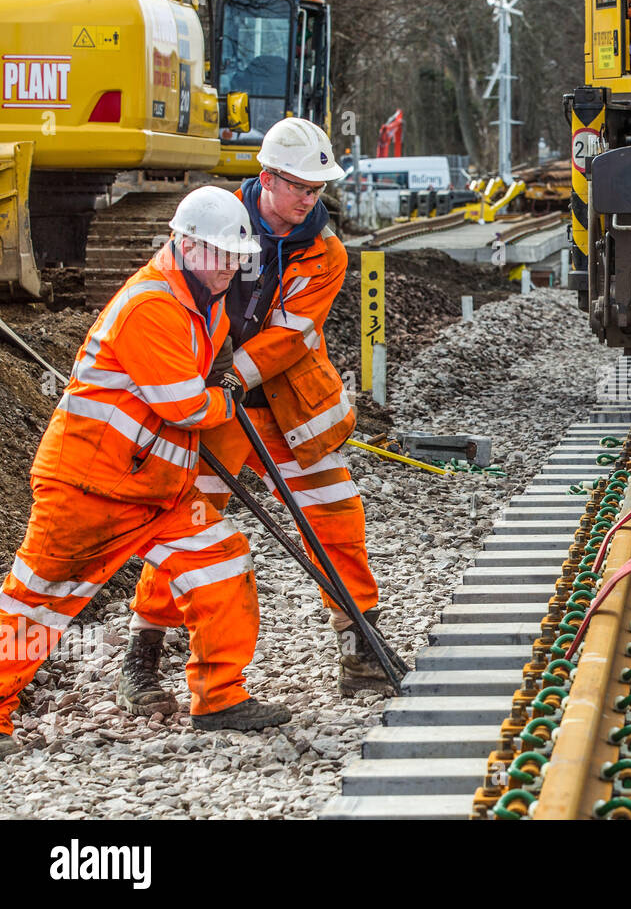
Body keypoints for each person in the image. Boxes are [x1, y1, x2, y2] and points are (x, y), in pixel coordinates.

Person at [0, 187, 291, 759]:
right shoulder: (151, 306)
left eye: (236, 258)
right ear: (183, 244)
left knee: (222, 559)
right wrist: (231, 399)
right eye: (220, 256)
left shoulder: (201, 297)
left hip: (157, 488)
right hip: (90, 487)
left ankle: (220, 697)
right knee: (36, 603)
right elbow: (183, 405)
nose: (231, 268)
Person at [119, 117, 396, 712]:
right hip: (216, 410)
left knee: (335, 514)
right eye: (300, 186)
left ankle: (360, 648)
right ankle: (144, 651)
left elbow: (292, 337)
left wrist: (232, 372)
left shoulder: (326, 252)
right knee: (190, 521)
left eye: (318, 189)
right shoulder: (216, 224)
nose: (310, 199)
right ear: (266, 178)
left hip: (285, 407)